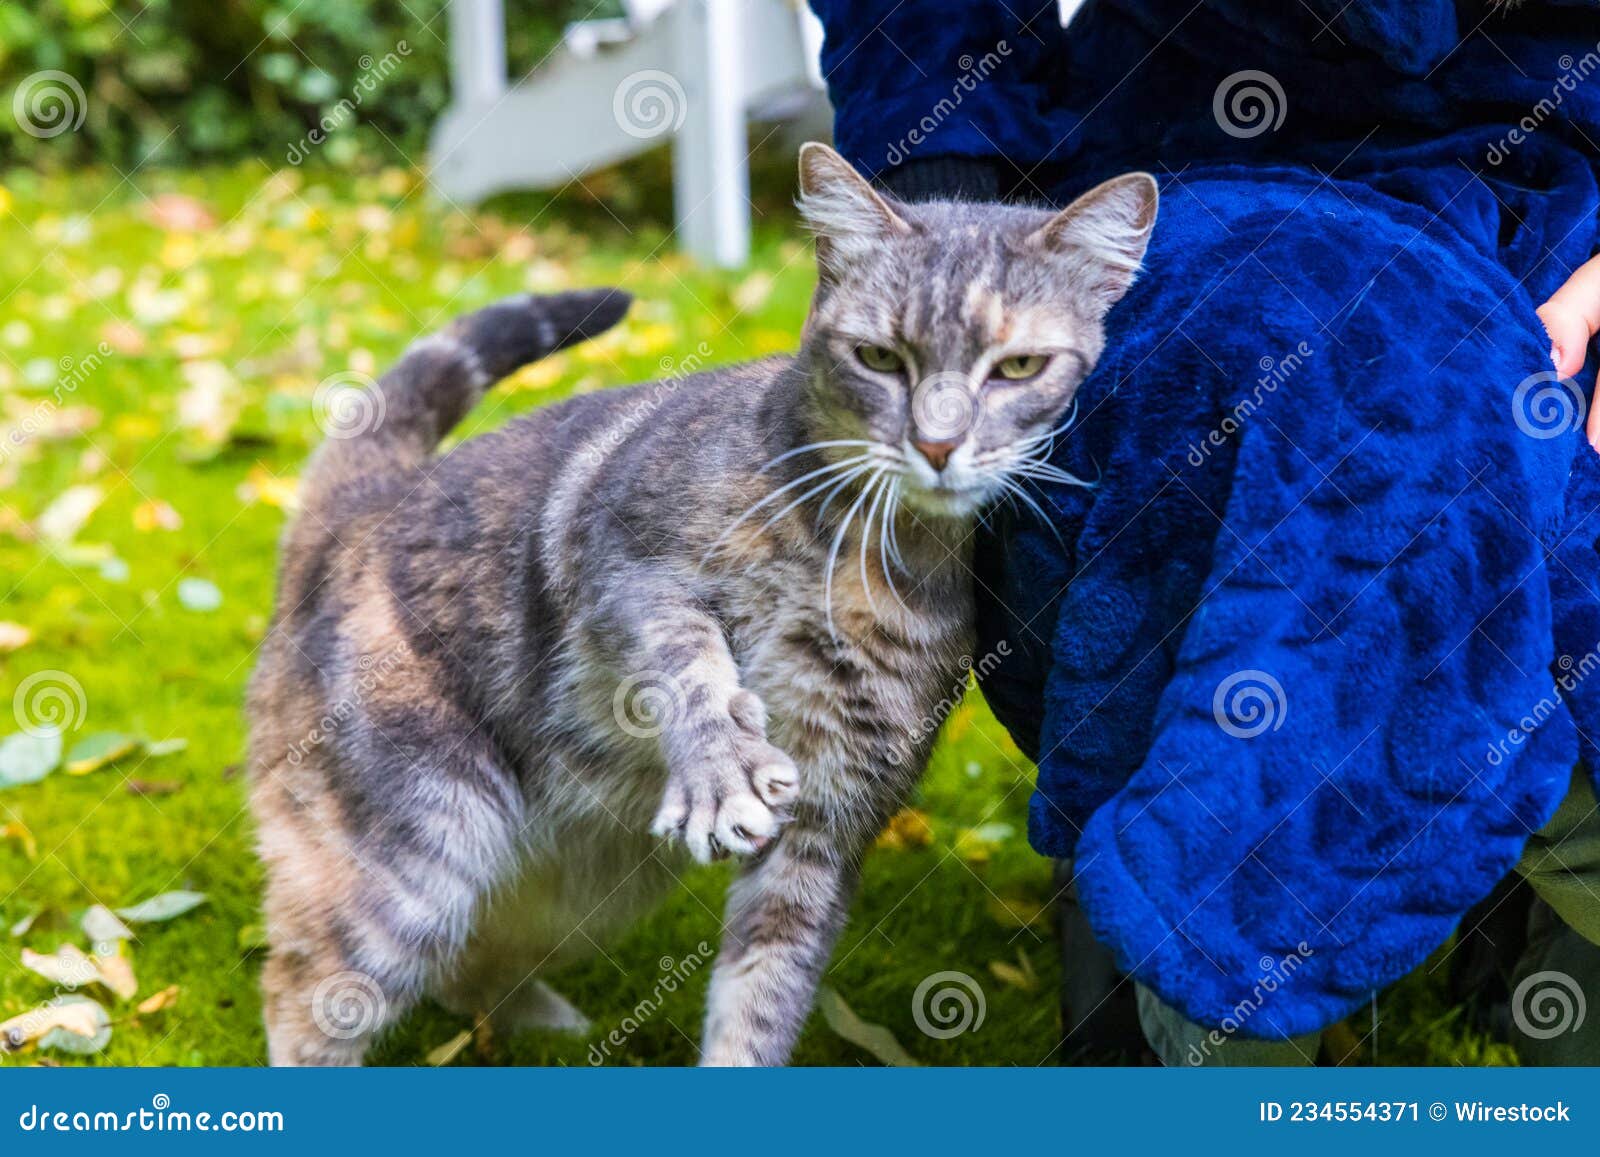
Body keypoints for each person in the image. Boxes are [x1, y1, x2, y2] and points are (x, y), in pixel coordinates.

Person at [807, 0, 1600, 1064]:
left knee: (1554, 538)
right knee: (1309, 442)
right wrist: (949, 231)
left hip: (1571, 181)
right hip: (1202, 152)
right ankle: (1222, 1013)